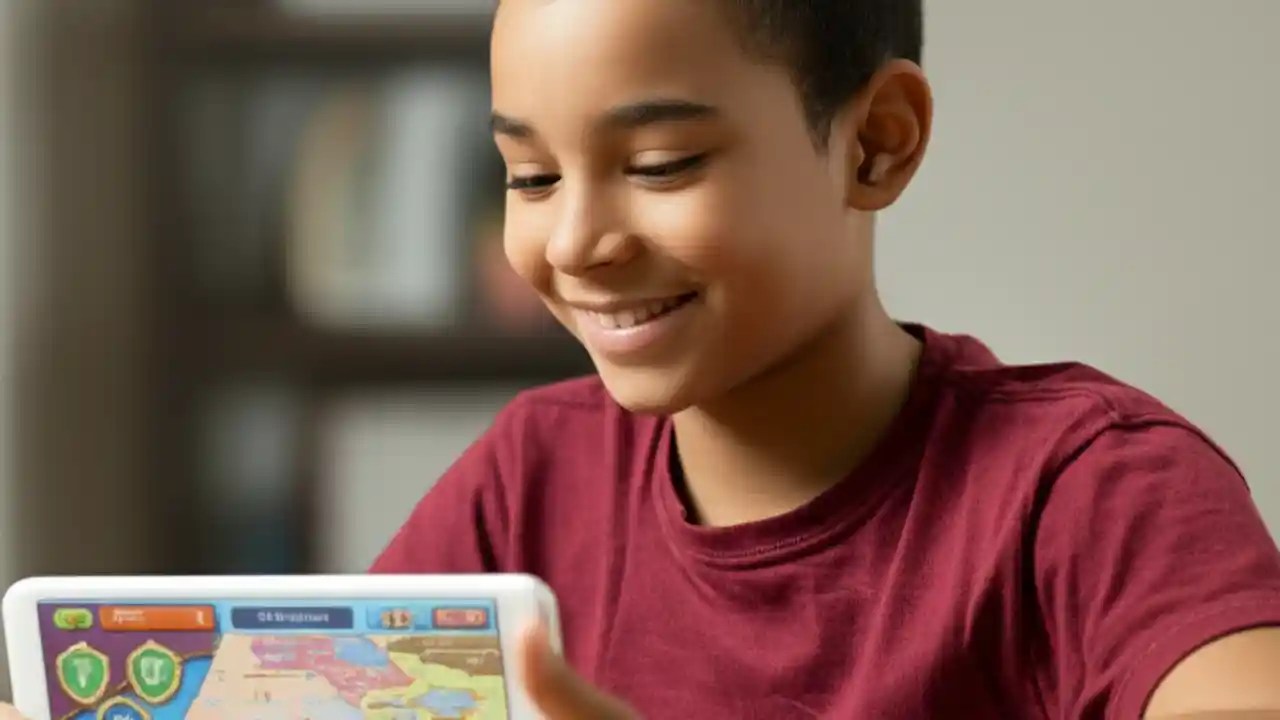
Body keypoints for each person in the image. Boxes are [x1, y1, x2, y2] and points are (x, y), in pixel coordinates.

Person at [4, 1, 1280, 718]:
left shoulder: (1090, 493)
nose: (574, 243)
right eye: (527, 177)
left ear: (875, 143)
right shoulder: (532, 478)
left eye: (661, 164)